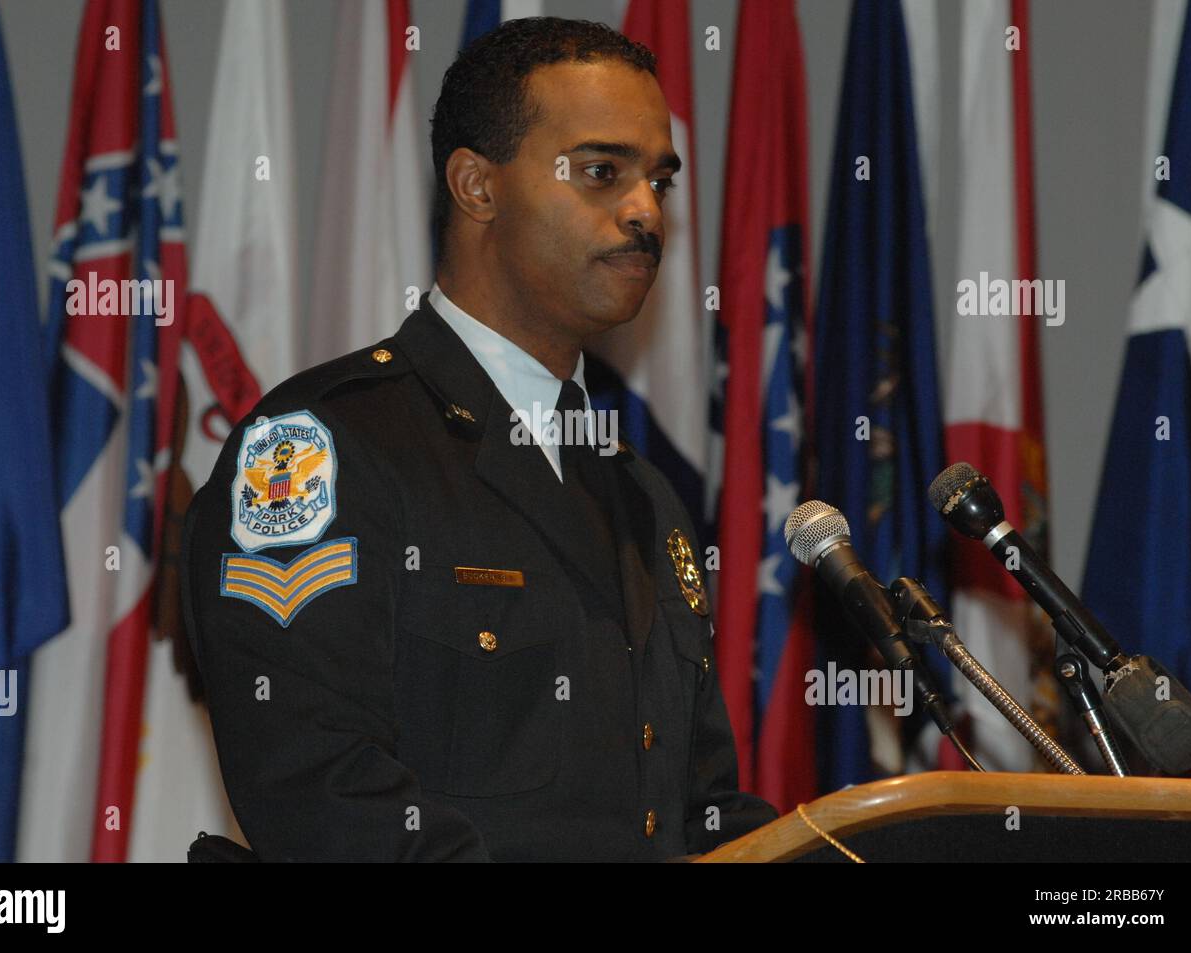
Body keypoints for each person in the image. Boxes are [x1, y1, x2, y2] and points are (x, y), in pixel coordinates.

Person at [181, 16, 778, 862]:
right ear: (477, 187)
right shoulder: (325, 446)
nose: (646, 211)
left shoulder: (643, 498)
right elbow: (320, 788)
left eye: (661, 182)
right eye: (603, 172)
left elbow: (701, 812)